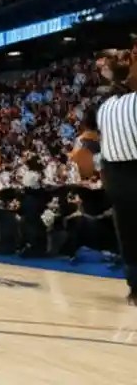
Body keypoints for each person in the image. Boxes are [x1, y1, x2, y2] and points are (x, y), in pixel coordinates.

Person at [72, 45, 137, 306]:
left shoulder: (104, 107)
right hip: (128, 168)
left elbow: (89, 149)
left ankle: (135, 289)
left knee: (129, 233)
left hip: (115, 175)